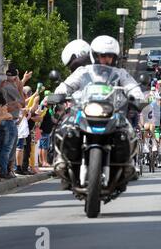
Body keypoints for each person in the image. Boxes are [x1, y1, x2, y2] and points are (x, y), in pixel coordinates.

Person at [54, 36, 144, 174]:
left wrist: (137, 97)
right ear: (95, 55)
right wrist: (59, 93)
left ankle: (128, 162)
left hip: (112, 111)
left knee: (127, 130)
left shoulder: (120, 74)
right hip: (85, 109)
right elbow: (67, 84)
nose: (106, 59)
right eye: (103, 55)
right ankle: (61, 159)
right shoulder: (83, 71)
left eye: (110, 56)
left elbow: (132, 87)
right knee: (67, 125)